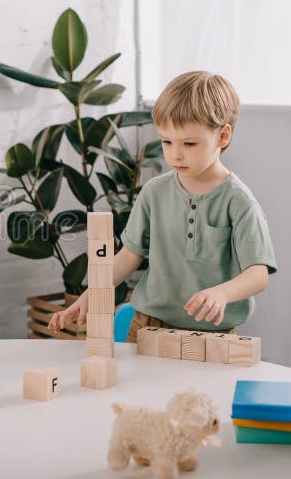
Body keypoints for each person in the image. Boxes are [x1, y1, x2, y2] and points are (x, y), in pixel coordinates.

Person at [49, 71, 277, 341]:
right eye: (166, 141)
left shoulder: (239, 201)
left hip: (212, 333)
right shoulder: (153, 192)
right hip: (148, 324)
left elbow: (258, 274)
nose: (175, 154)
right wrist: (90, 295)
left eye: (189, 143)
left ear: (223, 136)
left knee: (200, 387)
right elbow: (128, 256)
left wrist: (222, 293)